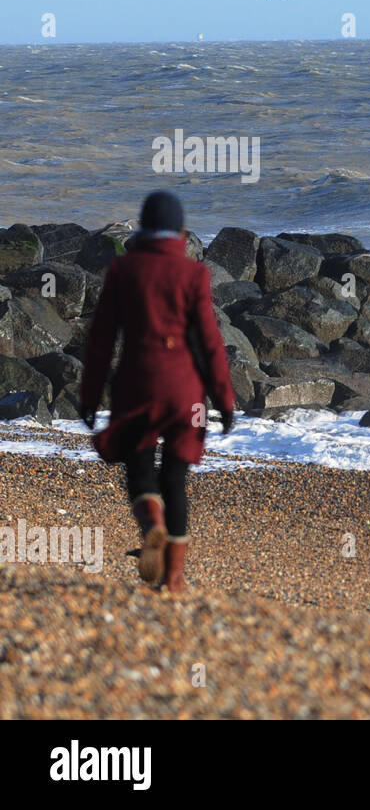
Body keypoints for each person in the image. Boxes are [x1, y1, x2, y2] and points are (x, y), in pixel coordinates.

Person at [79, 191, 236, 593]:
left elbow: (100, 341)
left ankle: (152, 524)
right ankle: (175, 580)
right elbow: (211, 342)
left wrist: (90, 397)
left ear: (144, 228)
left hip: (138, 386)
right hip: (187, 392)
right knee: (176, 477)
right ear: (180, 232)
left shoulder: (123, 271)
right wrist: (224, 400)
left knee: (140, 469)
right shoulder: (193, 274)